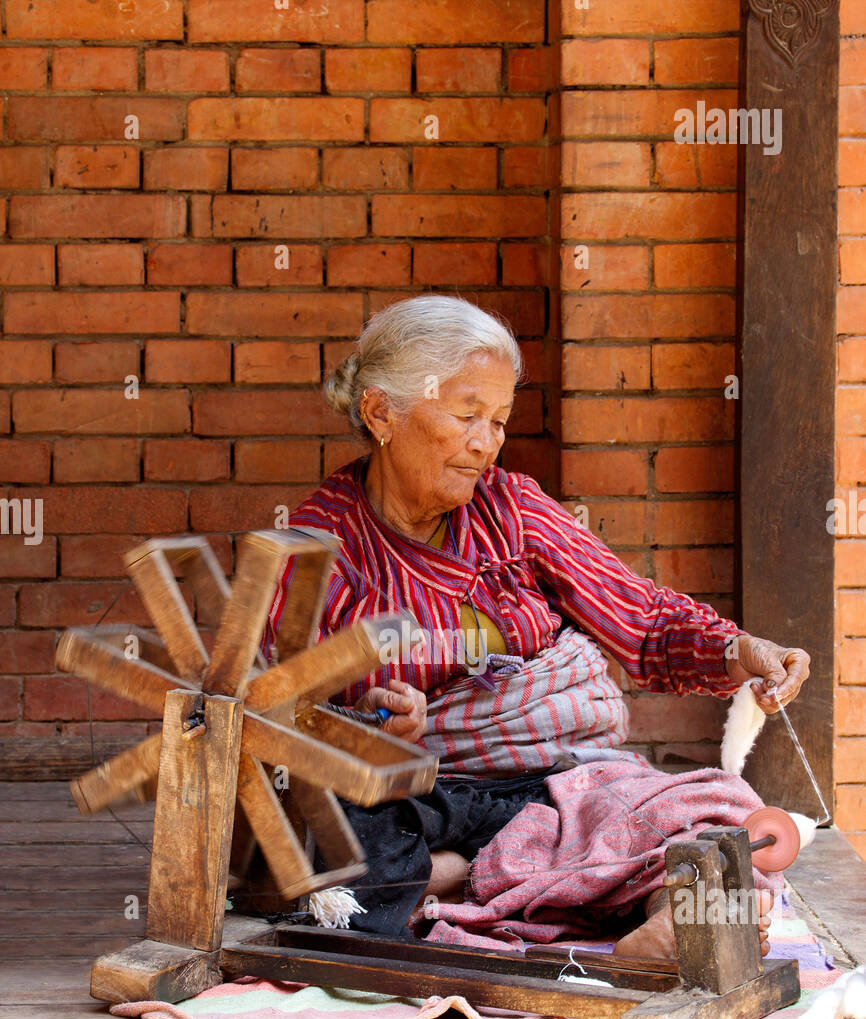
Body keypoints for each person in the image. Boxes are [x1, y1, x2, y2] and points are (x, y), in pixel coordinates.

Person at [264, 295, 810, 958]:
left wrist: (738, 650)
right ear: (382, 412)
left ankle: (670, 920)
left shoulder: (511, 509)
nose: (487, 440)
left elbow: (641, 620)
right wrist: (369, 729)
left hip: (552, 779)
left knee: (710, 808)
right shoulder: (319, 545)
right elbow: (279, 716)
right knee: (331, 848)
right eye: (467, 414)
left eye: (498, 420)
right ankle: (504, 881)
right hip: (422, 800)